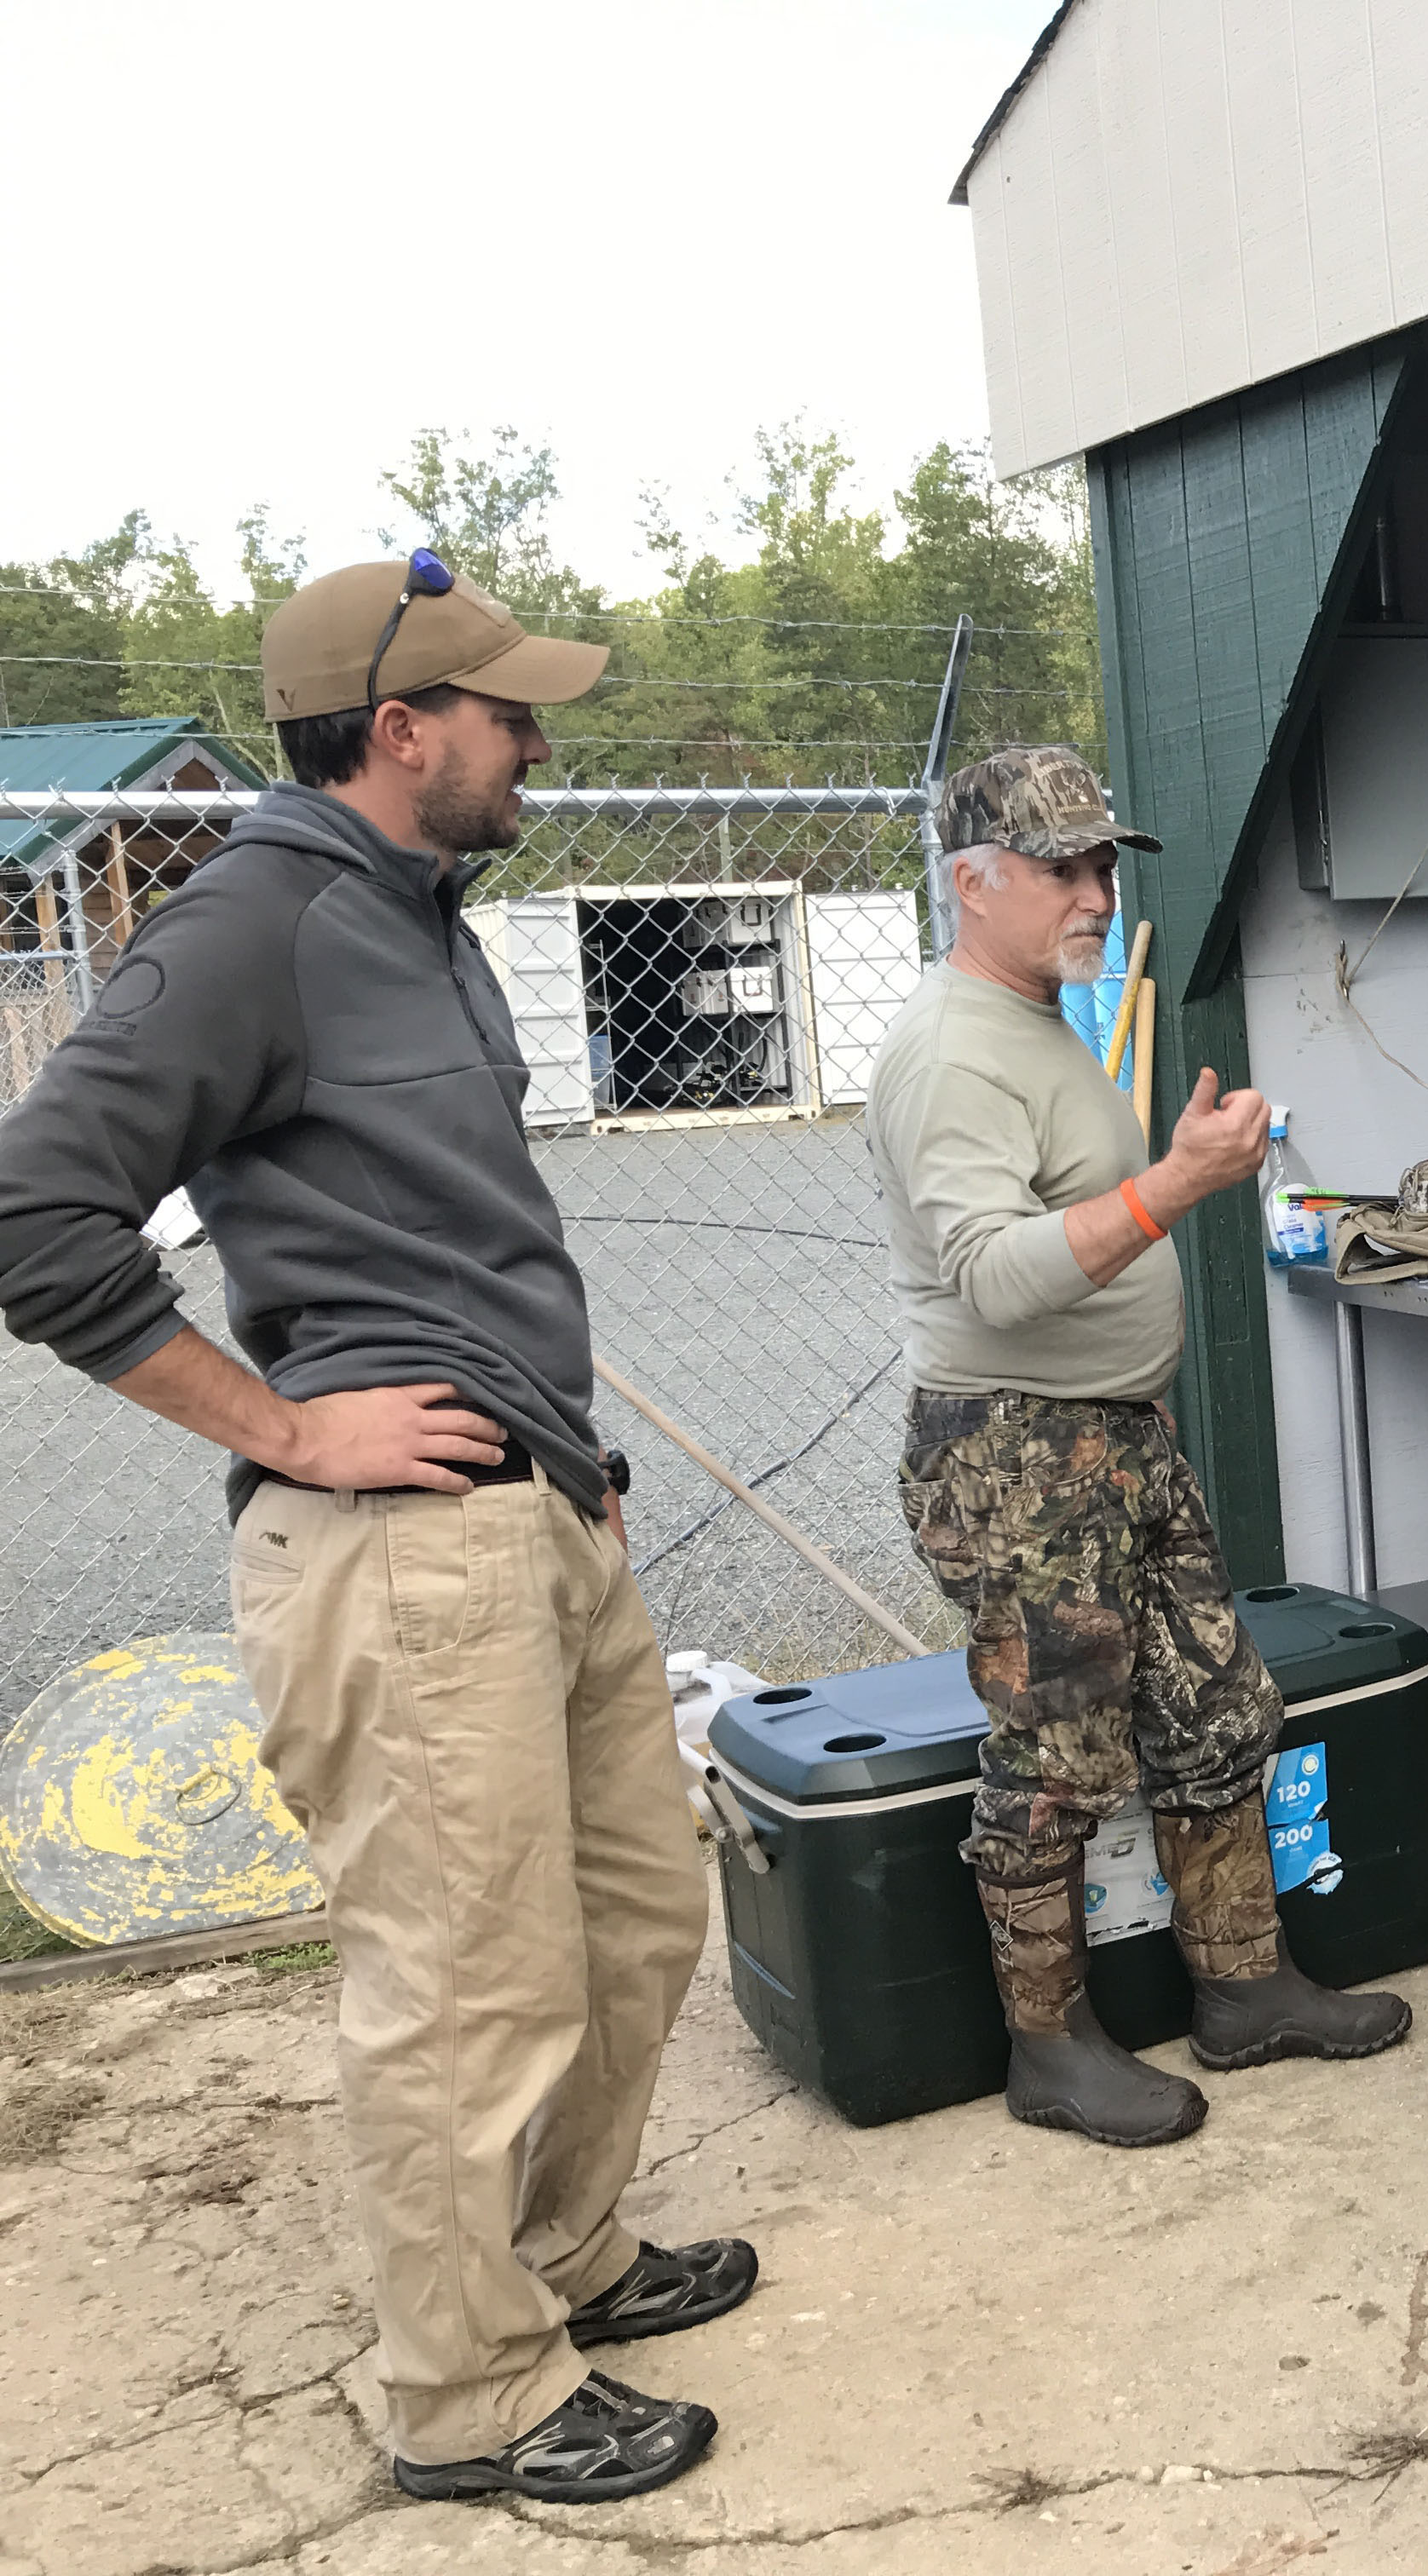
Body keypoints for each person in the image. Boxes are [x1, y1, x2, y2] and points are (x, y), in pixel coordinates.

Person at [0, 557, 750, 2504]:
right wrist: (284, 1428)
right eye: (508, 710)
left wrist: (564, 1452)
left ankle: (565, 2260)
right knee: (469, 1990)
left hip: (537, 1511)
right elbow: (35, 1214)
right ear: (398, 729)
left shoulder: (425, 920)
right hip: (404, 1558)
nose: (538, 737)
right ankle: (471, 2399)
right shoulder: (252, 926)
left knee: (641, 1924)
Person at [869, 745, 1410, 2149]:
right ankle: (1049, 2047)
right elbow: (995, 1277)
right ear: (971, 880)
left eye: (1106, 862)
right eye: (1062, 865)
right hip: (1015, 1460)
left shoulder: (1038, 1015)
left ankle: (1245, 1991)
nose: (1097, 890)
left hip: (1108, 1441)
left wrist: (1139, 1367)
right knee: (1057, 1755)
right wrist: (1177, 1184)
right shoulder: (948, 1052)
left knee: (1216, 1705)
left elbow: (1072, 1232)